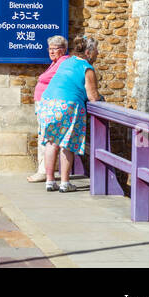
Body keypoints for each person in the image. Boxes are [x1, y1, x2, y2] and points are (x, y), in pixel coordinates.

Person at [38, 33, 101, 193]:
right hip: (67, 105)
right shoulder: (87, 68)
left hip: (47, 103)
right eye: (96, 51)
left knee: (51, 142)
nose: (98, 54)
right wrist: (101, 99)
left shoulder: (67, 62)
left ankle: (50, 181)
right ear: (88, 52)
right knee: (67, 143)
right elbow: (93, 97)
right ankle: (65, 183)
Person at [28, 35, 69, 183]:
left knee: (46, 138)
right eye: (50, 48)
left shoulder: (63, 62)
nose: (51, 52)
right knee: (43, 136)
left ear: (63, 50)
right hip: (44, 104)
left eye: (55, 49)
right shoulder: (55, 62)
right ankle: (44, 170)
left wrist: (40, 77)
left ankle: (44, 172)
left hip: (49, 105)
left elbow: (45, 78)